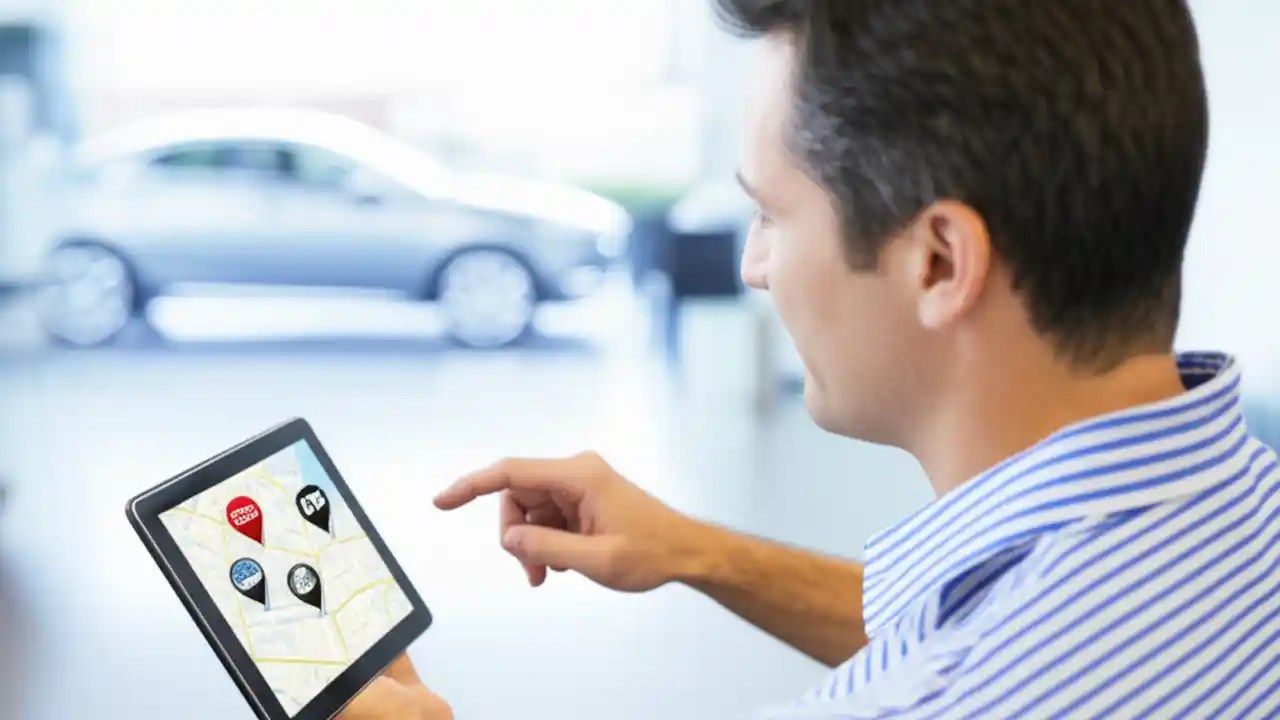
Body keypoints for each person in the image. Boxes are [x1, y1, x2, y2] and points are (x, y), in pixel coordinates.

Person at [342, 0, 1280, 717]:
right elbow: (984, 619)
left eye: (771, 215)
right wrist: (699, 552)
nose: (753, 267)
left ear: (939, 262)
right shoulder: (1242, 497)